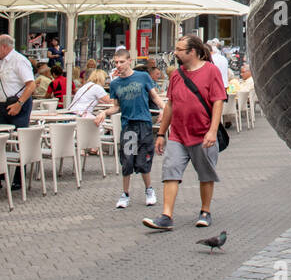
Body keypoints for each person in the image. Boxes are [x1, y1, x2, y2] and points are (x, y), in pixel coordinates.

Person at [144, 35, 227, 233]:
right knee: (170, 171)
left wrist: (213, 131)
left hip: (202, 133)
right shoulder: (176, 75)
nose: (176, 52)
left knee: (205, 174)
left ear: (193, 52)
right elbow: (170, 105)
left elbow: (218, 101)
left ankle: (205, 211)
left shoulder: (211, 71)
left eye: (180, 49)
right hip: (178, 134)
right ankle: (166, 216)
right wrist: (162, 133)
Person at [94, 49, 163, 210]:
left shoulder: (142, 77)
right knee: (127, 159)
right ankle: (125, 193)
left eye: (121, 62)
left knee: (144, 159)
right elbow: (116, 107)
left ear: (129, 61)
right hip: (128, 125)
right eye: (116, 62)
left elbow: (154, 96)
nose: (119, 65)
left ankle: (149, 190)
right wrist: (104, 112)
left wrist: (164, 109)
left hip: (144, 124)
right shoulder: (115, 83)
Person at [0, 33, 36, 190]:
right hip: (3, 105)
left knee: (20, 140)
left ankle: (18, 179)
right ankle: (2, 175)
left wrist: (19, 104)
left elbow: (31, 85)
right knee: (1, 140)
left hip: (19, 105)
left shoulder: (19, 61)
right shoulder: (2, 62)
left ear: (4, 47)